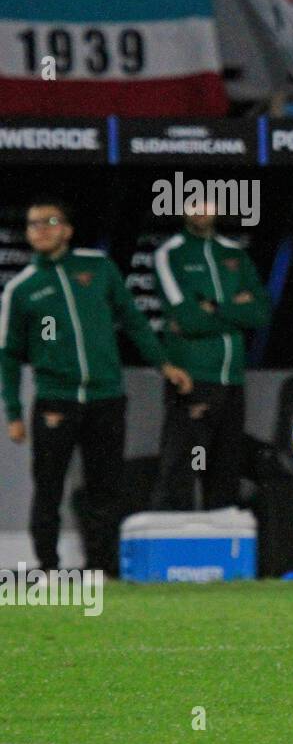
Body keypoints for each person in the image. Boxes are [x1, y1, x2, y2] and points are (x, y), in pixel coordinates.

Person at [1, 197, 192, 573]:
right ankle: (48, 568)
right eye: (33, 224)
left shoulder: (98, 268)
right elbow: (8, 355)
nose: (40, 229)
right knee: (49, 488)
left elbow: (133, 321)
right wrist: (14, 413)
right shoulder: (21, 289)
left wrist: (163, 364)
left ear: (67, 230)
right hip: (55, 401)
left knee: (105, 489)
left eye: (49, 221)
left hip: (106, 397)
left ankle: (103, 569)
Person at [151, 200, 271, 511]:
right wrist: (234, 307)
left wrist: (215, 306)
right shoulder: (170, 254)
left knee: (225, 475)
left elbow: (259, 314)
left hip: (232, 381)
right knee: (180, 472)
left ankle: (222, 557)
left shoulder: (234, 254)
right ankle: (171, 554)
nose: (200, 209)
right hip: (192, 380)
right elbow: (187, 319)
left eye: (206, 202)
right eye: (192, 202)